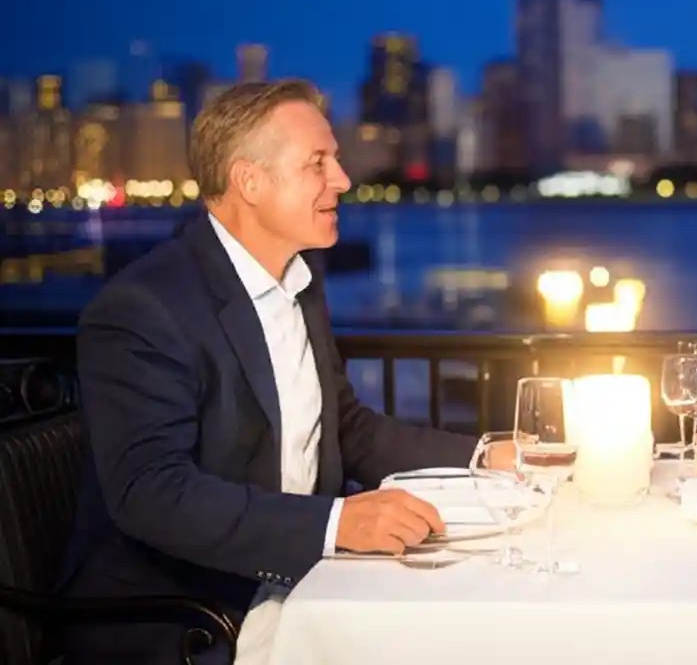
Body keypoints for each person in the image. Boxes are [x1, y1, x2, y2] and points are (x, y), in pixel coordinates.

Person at [59, 79, 514, 664]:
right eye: (317, 163)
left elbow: (344, 429)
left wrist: (487, 458)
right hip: (188, 615)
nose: (343, 181)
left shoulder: (299, 280)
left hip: (297, 581)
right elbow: (153, 494)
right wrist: (335, 524)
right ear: (249, 181)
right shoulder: (144, 308)